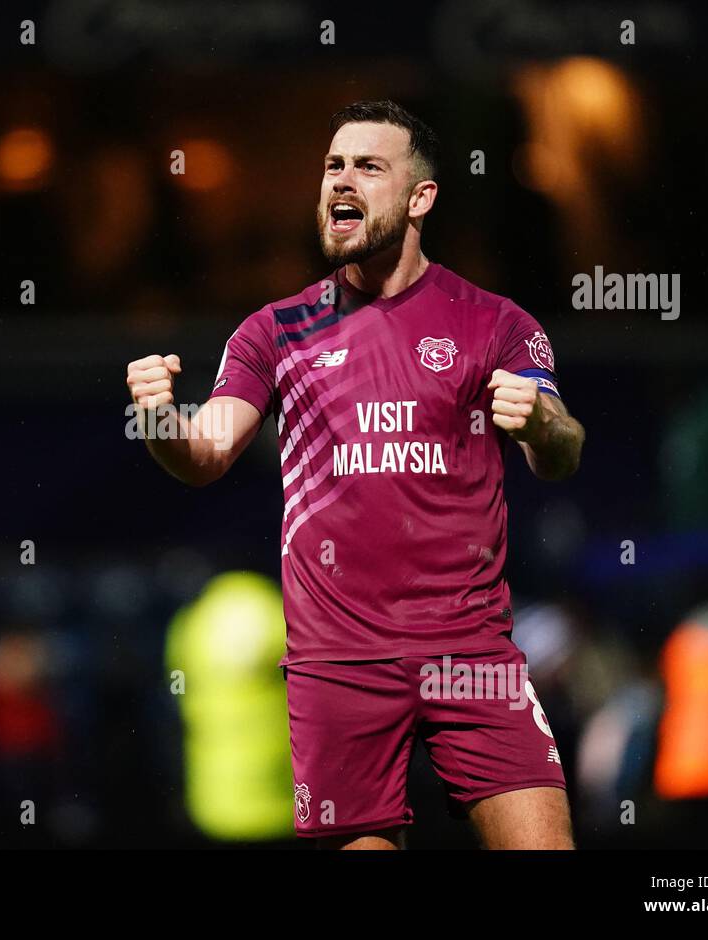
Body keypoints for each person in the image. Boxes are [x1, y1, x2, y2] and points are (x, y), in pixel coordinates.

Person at [126, 101, 586, 849]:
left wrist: (540, 421)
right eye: (333, 166)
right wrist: (157, 421)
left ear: (420, 198)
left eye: (369, 167)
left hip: (469, 656)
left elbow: (559, 452)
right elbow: (204, 454)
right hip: (338, 667)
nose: (343, 181)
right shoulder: (273, 332)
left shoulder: (496, 324)